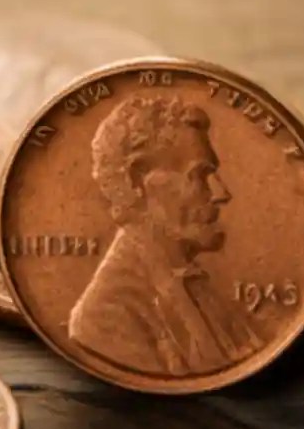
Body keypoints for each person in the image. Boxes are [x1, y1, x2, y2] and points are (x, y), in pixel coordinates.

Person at [68, 96, 263, 376]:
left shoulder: (198, 287)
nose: (221, 193)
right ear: (138, 181)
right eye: (199, 176)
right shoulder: (105, 315)